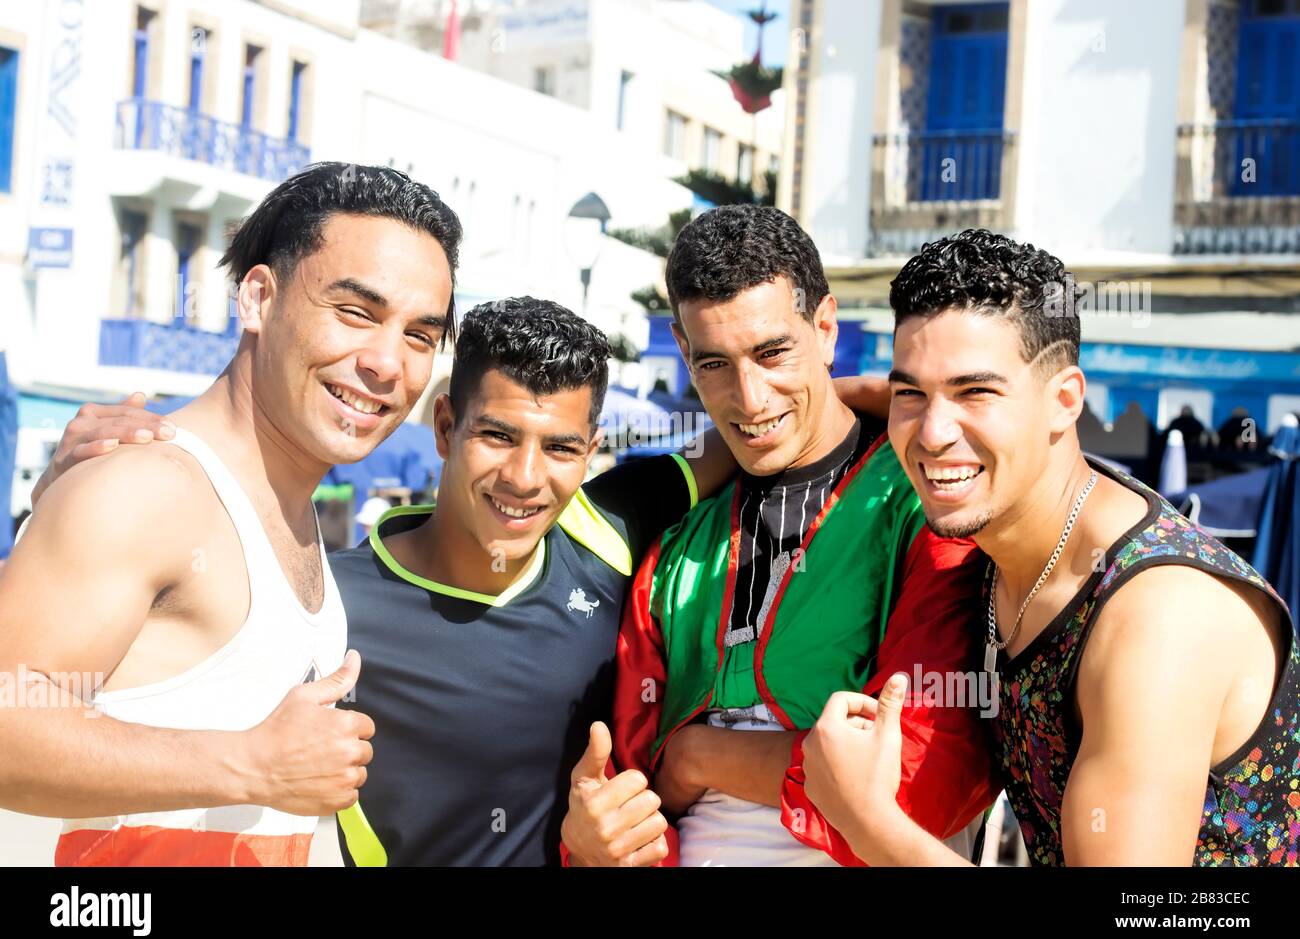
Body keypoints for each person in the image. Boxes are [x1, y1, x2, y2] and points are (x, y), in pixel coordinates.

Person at [36, 296, 893, 866]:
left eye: (561, 448)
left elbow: (758, 432)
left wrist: (909, 401)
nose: (527, 477)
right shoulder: (324, 605)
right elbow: (68, 675)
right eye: (496, 436)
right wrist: (87, 480)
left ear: (590, 451)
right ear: (444, 423)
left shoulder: (607, 527)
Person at [0, 161, 461, 865]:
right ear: (257, 298)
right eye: (355, 312)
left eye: (420, 335)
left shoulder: (288, 508)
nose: (387, 363)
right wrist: (248, 763)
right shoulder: (150, 487)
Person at [800, 228, 1298, 866]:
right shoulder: (1019, 520)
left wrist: (864, 819)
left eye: (975, 391)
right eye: (911, 394)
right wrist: (743, 430)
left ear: (1065, 401)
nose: (932, 432)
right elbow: (856, 402)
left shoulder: (1157, 619)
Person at [561, 206, 996, 867]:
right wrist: (596, 834)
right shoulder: (676, 546)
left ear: (825, 328)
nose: (750, 398)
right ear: (683, 352)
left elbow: (921, 777)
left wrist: (697, 754)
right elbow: (625, 784)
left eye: (772, 353)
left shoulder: (925, 503)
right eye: (714, 364)